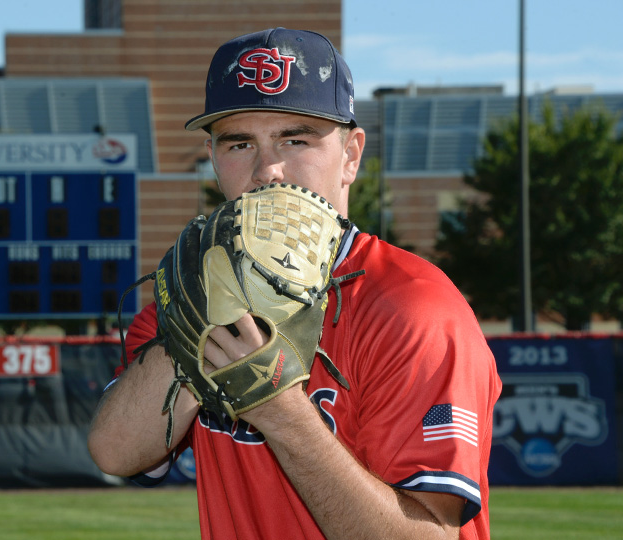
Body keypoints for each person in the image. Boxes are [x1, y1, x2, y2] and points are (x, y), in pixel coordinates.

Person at [87, 27, 501, 540]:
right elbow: (115, 452)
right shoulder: (195, 288)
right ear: (214, 159)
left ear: (350, 155)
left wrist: (279, 413)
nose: (269, 169)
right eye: (240, 143)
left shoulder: (415, 307)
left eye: (296, 138)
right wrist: (190, 334)